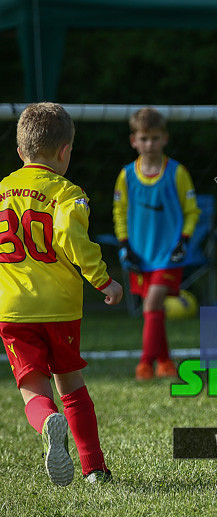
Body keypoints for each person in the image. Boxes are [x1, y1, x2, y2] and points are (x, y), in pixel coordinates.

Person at [0, 102, 123, 485]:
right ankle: (94, 468)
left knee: (32, 389)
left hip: (12, 309)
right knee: (70, 383)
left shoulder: (2, 190)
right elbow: (71, 237)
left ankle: (47, 421)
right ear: (65, 151)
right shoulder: (68, 193)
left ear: (21, 152)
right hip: (60, 308)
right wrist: (104, 280)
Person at [113, 107, 201, 380]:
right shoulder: (126, 176)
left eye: (155, 138)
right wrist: (125, 245)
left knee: (151, 305)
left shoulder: (178, 172)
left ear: (165, 138)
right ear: (134, 140)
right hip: (140, 254)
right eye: (144, 138)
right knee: (154, 310)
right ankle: (165, 362)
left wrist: (184, 241)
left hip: (168, 255)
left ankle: (145, 363)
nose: (149, 143)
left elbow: (192, 211)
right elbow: (119, 212)